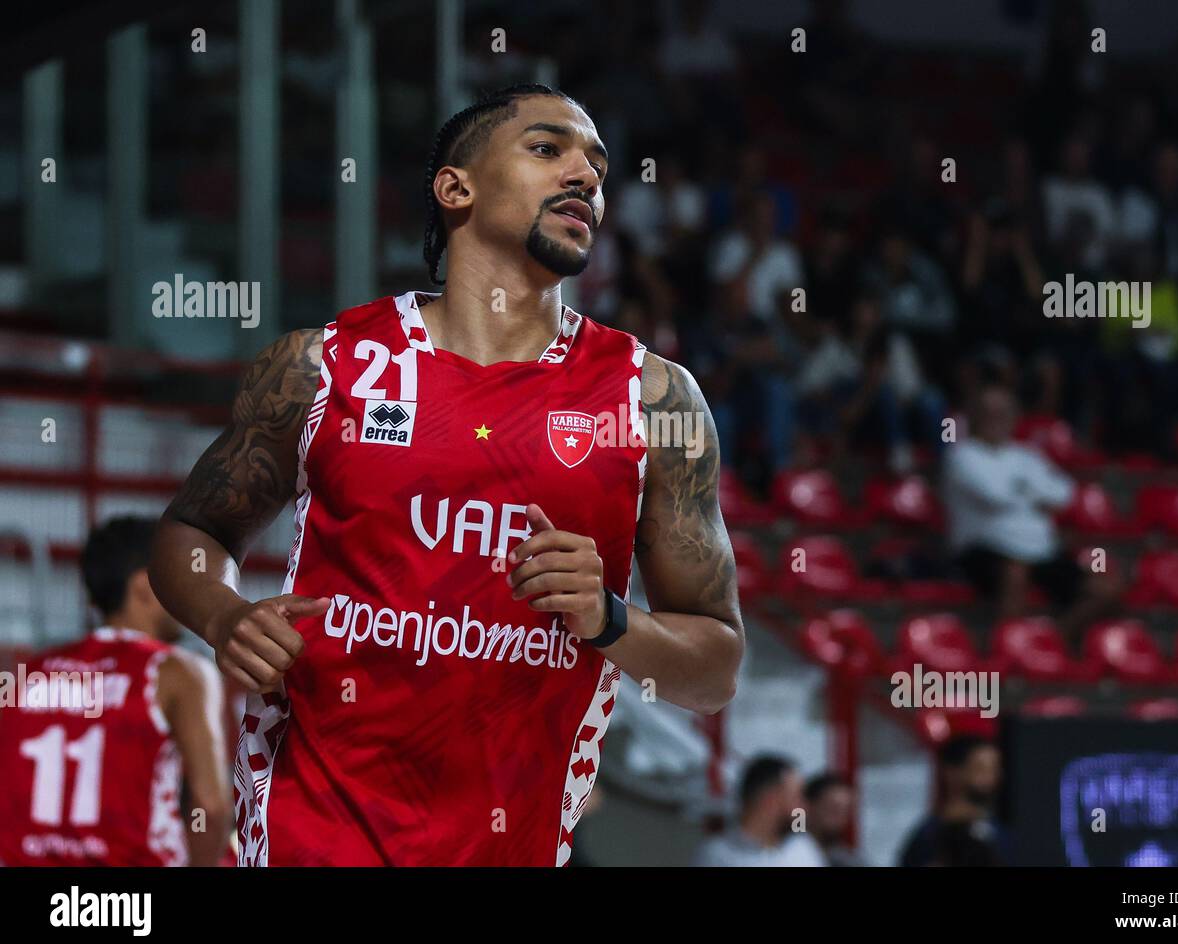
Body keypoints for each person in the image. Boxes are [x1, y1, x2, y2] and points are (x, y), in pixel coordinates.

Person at [150, 84, 744, 867]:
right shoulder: (323, 366)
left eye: (598, 166)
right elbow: (193, 532)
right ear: (455, 187)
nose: (586, 178)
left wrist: (610, 620)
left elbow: (716, 670)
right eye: (548, 149)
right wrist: (225, 616)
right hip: (314, 827)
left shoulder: (653, 397)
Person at [0, 517, 230, 866]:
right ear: (143, 585)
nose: (188, 591)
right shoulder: (179, 673)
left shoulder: (23, 675)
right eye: (176, 577)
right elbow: (211, 807)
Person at [943, 383, 1121, 642]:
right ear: (974, 417)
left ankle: (1051, 641)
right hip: (982, 552)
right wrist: (1033, 493)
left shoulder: (1027, 455)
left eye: (1002, 412)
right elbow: (995, 494)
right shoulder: (961, 455)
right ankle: (1008, 646)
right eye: (988, 412)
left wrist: (1020, 490)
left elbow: (1064, 494)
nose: (996, 419)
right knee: (1015, 572)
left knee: (1107, 587)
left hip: (1041, 551)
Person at [693, 755, 826, 866]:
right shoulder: (716, 856)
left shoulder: (803, 848)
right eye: (797, 797)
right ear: (770, 800)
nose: (804, 807)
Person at [898, 736, 1007, 867]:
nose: (991, 778)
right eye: (980, 769)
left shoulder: (998, 832)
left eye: (994, 769)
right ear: (952, 772)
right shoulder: (929, 837)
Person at [804, 772, 864, 866]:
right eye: (833, 809)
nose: (840, 818)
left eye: (845, 811)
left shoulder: (848, 859)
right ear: (809, 806)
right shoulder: (787, 850)